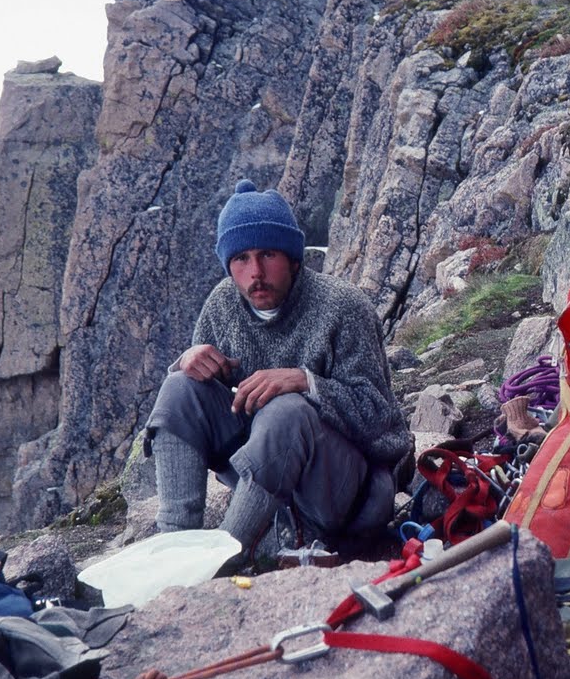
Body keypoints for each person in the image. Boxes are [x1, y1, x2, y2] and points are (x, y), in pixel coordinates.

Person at [145, 179, 412, 555]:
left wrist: (307, 383)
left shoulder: (343, 308)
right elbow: (196, 404)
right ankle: (174, 547)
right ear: (229, 266)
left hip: (346, 497)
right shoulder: (222, 306)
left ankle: (224, 557)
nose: (255, 272)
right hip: (268, 484)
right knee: (179, 387)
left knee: (286, 410)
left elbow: (386, 428)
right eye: (241, 259)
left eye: (268, 254)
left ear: (293, 258)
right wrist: (189, 362)